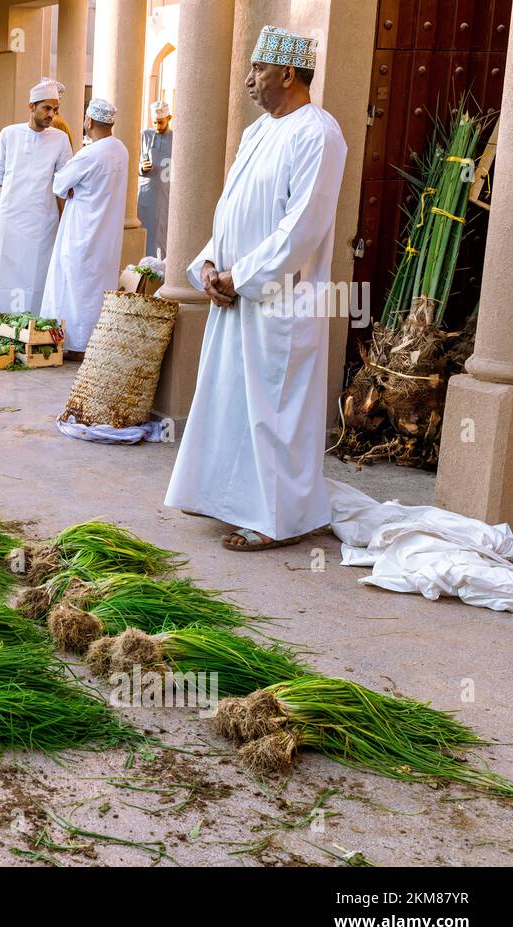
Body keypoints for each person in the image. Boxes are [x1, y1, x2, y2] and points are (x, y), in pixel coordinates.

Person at [165, 26, 347, 553]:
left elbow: (301, 227)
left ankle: (277, 517)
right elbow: (233, 210)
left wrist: (240, 277)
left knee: (274, 409)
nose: (247, 81)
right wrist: (208, 264)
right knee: (231, 401)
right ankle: (230, 499)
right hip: (236, 292)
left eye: (257, 70)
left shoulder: (319, 133)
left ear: (287, 73)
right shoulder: (257, 132)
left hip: (278, 301)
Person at [0, 77, 72, 333]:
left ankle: (32, 332)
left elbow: (63, 184)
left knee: (36, 277)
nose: (51, 114)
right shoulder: (9, 134)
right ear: (31, 106)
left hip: (42, 221)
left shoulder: (60, 140)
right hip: (9, 218)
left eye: (55, 109)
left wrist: (64, 221)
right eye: (46, 108)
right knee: (0, 276)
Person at [40, 98, 129, 359]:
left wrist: (71, 187)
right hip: (108, 234)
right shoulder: (121, 149)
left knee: (75, 288)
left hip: (82, 232)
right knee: (96, 289)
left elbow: (59, 184)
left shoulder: (90, 153)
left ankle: (74, 345)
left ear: (89, 121)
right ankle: (93, 343)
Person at [138, 101, 173, 257]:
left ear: (169, 118)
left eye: (161, 122)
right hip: (146, 192)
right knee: (145, 229)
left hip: (166, 193)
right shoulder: (145, 135)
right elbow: (135, 160)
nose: (157, 126)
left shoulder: (176, 138)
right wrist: (141, 167)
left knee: (162, 231)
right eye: (155, 122)